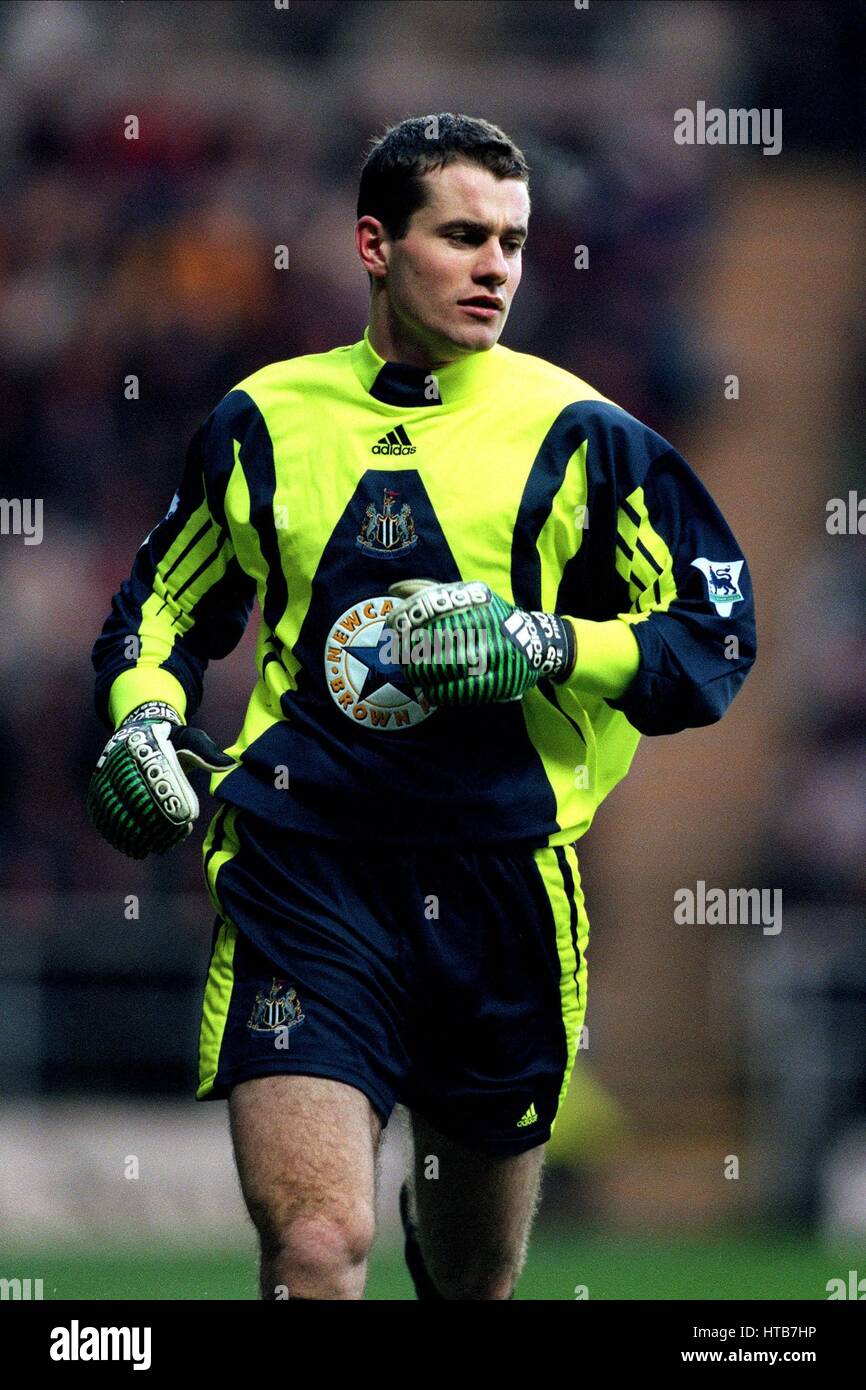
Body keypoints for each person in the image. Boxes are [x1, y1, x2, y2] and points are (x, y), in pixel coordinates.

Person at [88, 113, 756, 1300]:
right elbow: (163, 611)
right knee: (315, 1245)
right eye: (461, 235)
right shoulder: (261, 423)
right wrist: (143, 716)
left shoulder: (589, 441)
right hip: (304, 872)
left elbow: (711, 640)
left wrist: (545, 643)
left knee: (471, 1279)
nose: (495, 263)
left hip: (502, 885)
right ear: (374, 244)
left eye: (510, 238)